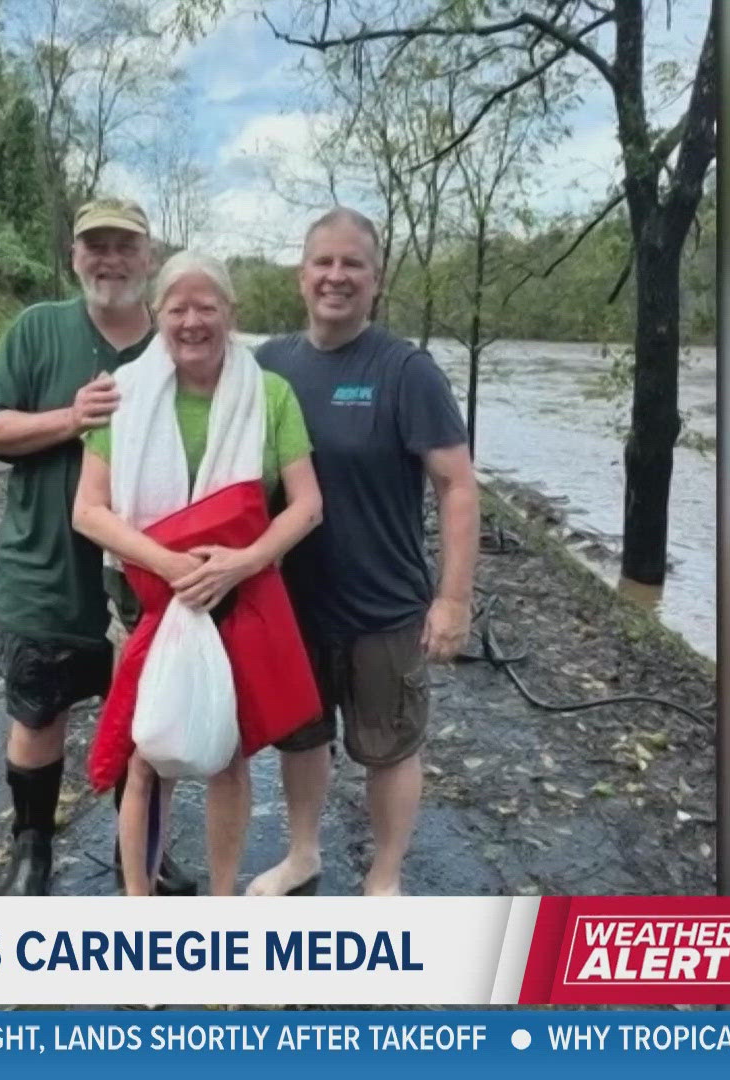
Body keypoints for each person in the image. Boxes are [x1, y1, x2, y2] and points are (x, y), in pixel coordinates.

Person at [72, 250, 323, 896]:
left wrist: (240, 563)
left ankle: (219, 905)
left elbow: (308, 505)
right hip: (146, 604)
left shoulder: (269, 395)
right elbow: (88, 511)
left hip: (234, 603)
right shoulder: (125, 394)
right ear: (156, 314)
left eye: (206, 306)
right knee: (146, 756)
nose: (191, 321)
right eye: (177, 307)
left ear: (231, 314)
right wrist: (168, 566)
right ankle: (137, 903)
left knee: (225, 756)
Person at [249, 207, 480, 897]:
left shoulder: (406, 371)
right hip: (295, 606)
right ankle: (303, 854)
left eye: (353, 264)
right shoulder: (270, 365)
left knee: (390, 748)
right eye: (324, 262)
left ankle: (384, 878)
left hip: (384, 610)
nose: (336, 276)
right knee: (301, 739)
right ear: (302, 275)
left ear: (376, 281)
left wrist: (454, 599)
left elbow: (458, 487)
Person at [0, 198, 157, 896]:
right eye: (94, 245)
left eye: (124, 245)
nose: (110, 259)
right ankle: (31, 849)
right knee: (38, 713)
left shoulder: (173, 343)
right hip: (43, 571)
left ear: (149, 256)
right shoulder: (37, 329)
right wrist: (70, 418)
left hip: (145, 579)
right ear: (74, 255)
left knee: (145, 725)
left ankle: (139, 849)